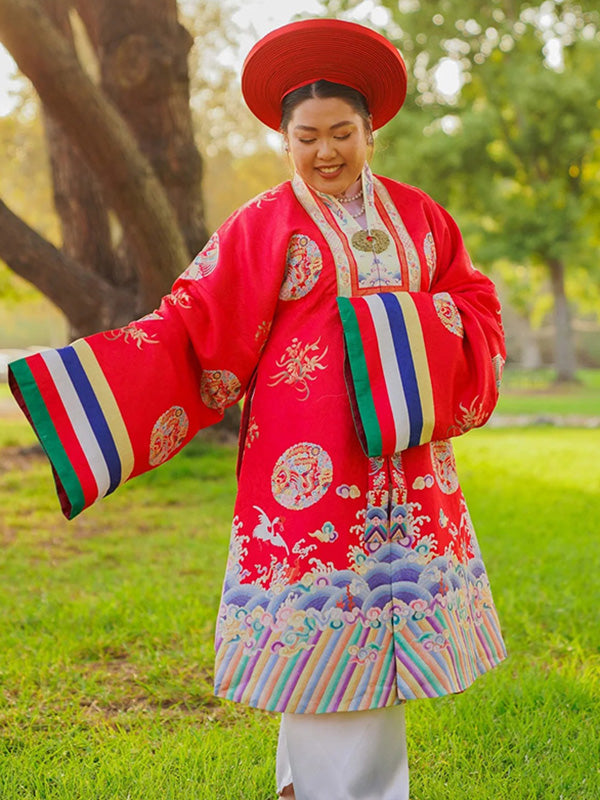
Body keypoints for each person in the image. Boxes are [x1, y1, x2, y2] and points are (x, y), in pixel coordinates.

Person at [9, 18, 507, 800]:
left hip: (406, 477)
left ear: (371, 132)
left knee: (377, 651)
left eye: (342, 132)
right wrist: (87, 385)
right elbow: (191, 326)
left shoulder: (421, 218)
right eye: (307, 137)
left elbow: (476, 304)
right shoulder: (263, 225)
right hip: (305, 474)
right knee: (326, 640)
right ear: (285, 140)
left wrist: (413, 334)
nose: (326, 152)